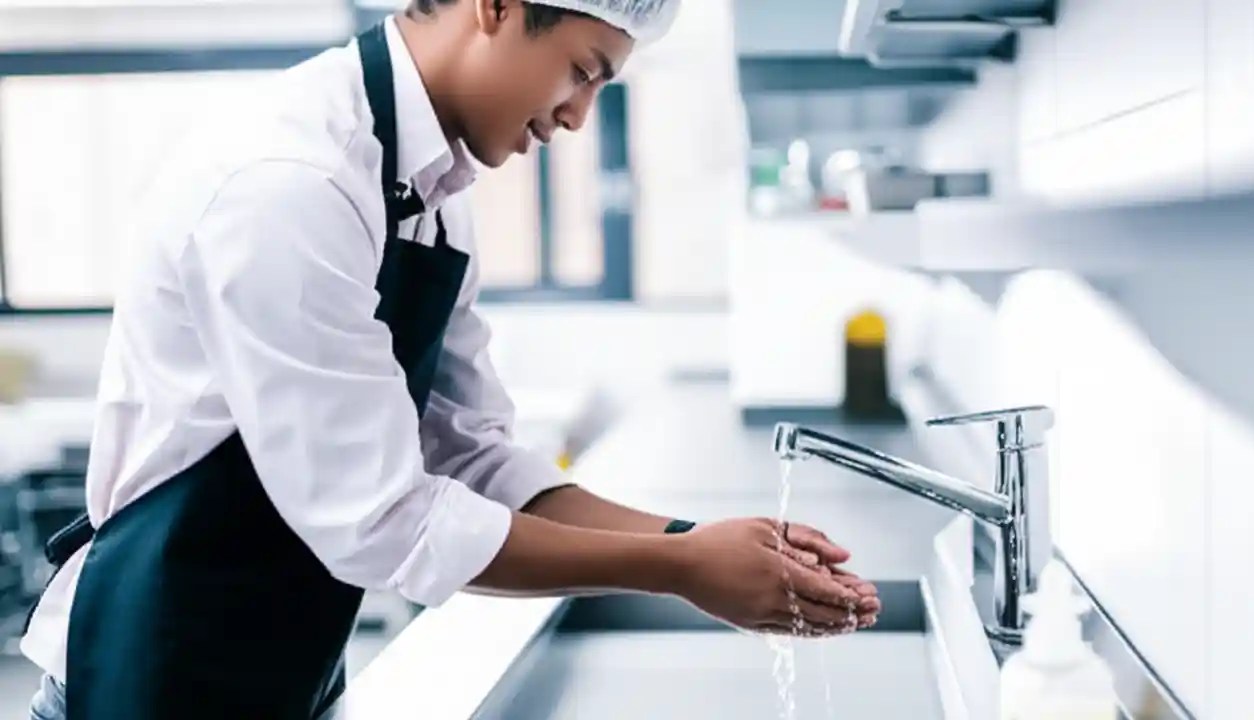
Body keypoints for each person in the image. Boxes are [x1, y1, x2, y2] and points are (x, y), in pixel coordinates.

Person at [22, 1, 881, 718]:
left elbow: (471, 456)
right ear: (496, 6)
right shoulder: (292, 181)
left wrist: (698, 541)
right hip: (146, 674)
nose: (580, 116)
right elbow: (385, 522)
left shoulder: (432, 186)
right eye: (583, 71)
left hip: (284, 672)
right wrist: (680, 570)